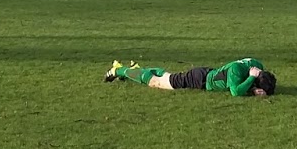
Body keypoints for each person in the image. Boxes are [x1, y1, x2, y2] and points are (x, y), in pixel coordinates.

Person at [104, 57, 275, 96]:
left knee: (166, 77)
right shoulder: (237, 71)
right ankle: (118, 70)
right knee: (155, 82)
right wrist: (251, 83)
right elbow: (235, 92)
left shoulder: (256, 65)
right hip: (198, 80)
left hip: (204, 74)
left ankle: (137, 69)